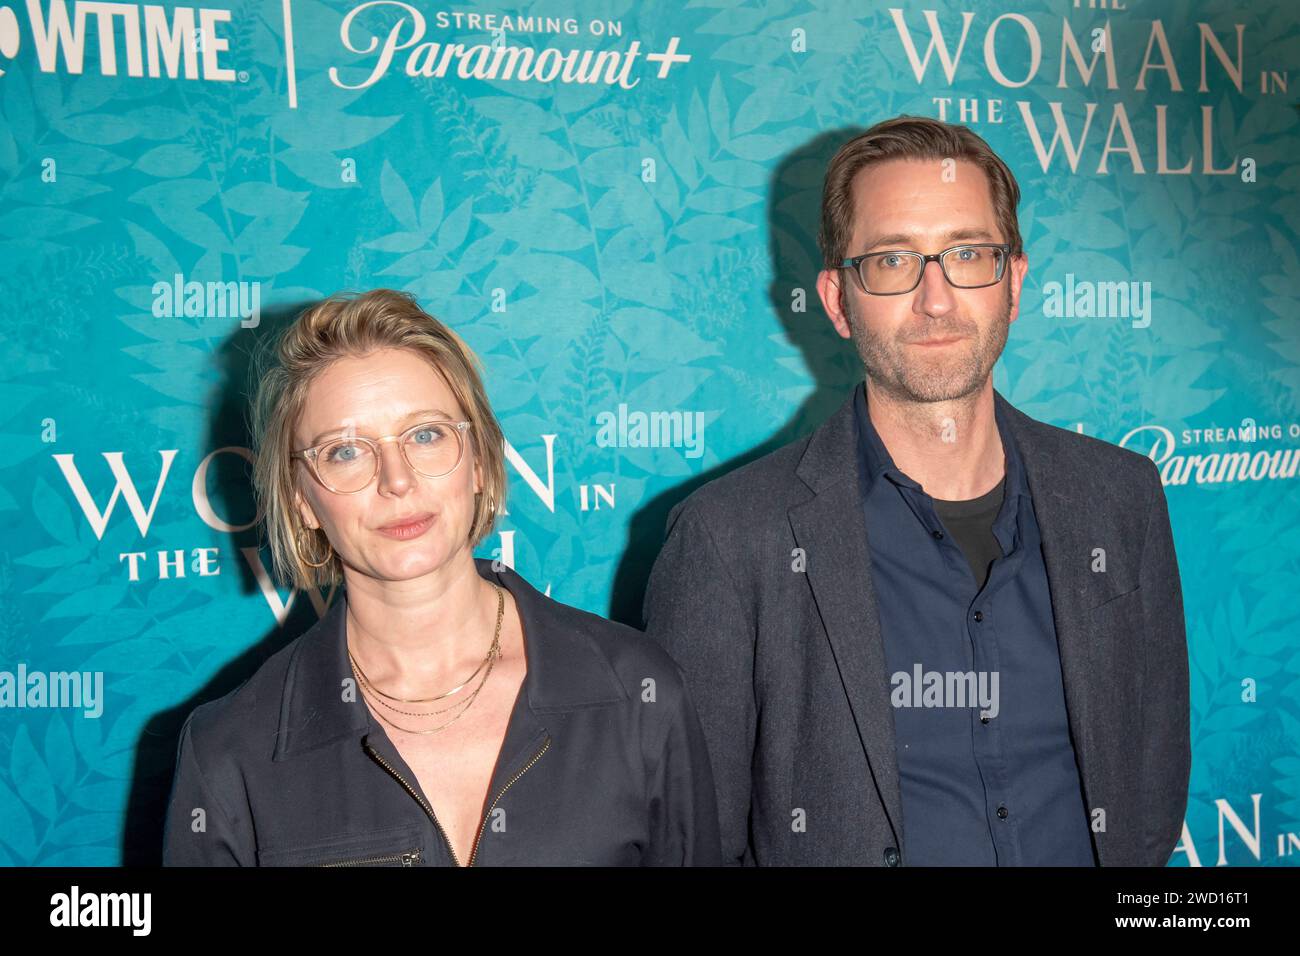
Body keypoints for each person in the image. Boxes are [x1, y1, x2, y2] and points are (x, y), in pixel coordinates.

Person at [642, 115, 1190, 866]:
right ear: (838, 300)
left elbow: (1149, 786)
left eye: (967, 254)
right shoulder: (729, 541)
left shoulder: (1121, 500)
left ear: (1014, 282)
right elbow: (692, 844)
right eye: (894, 261)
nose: (936, 299)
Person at [162, 289, 720, 866]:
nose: (397, 480)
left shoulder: (638, 692)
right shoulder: (232, 751)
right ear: (302, 497)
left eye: (426, 434)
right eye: (345, 451)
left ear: (479, 458)